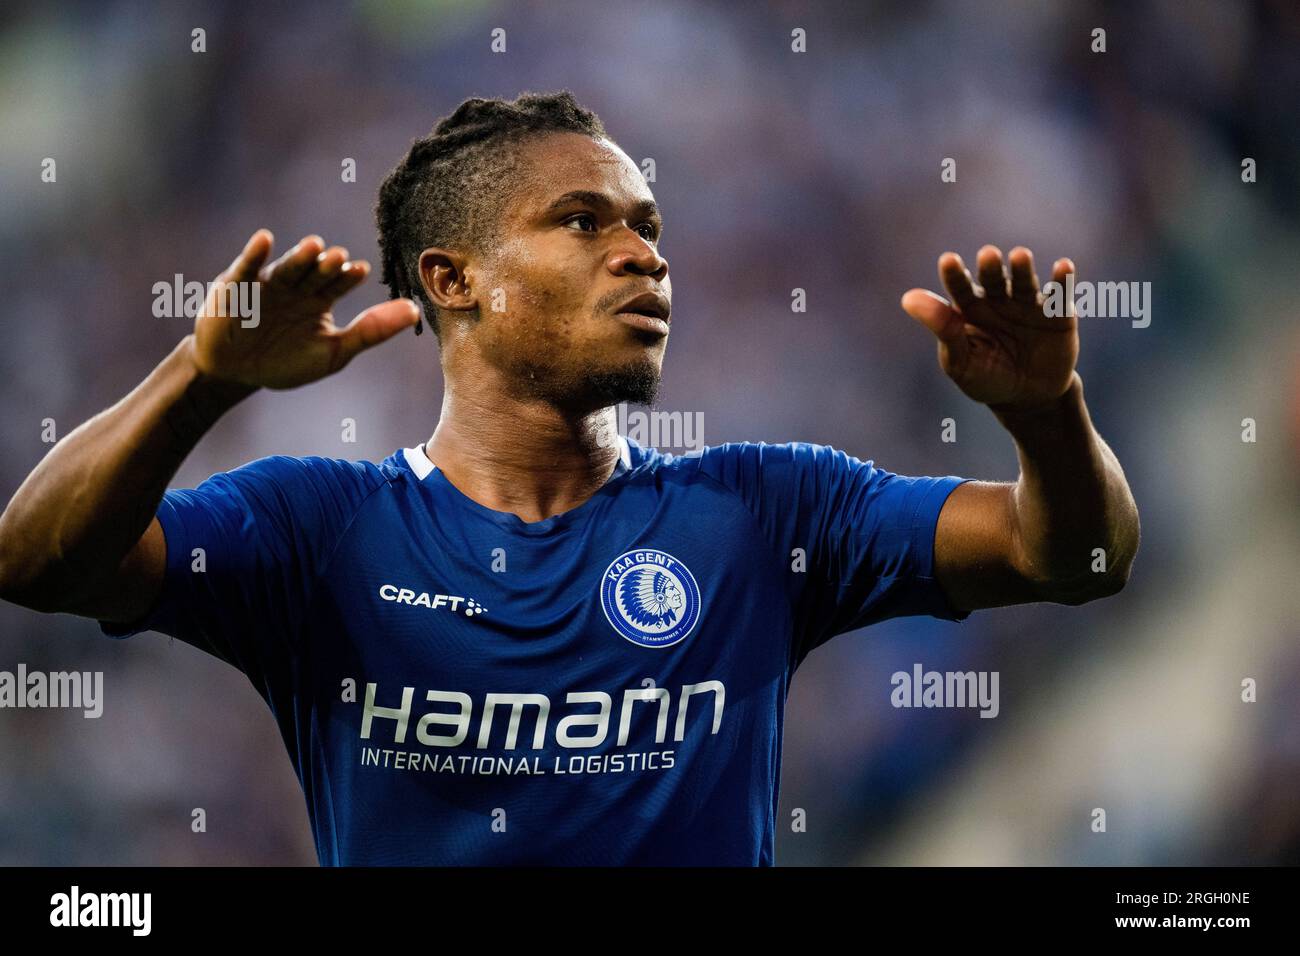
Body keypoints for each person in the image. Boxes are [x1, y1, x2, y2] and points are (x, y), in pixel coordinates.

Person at [0, 91, 1139, 865]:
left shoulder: (762, 511)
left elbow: (1082, 559)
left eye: (649, 226)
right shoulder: (316, 531)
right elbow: (37, 562)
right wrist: (199, 378)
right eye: (583, 221)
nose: (642, 252)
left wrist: (1046, 413)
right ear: (455, 279)